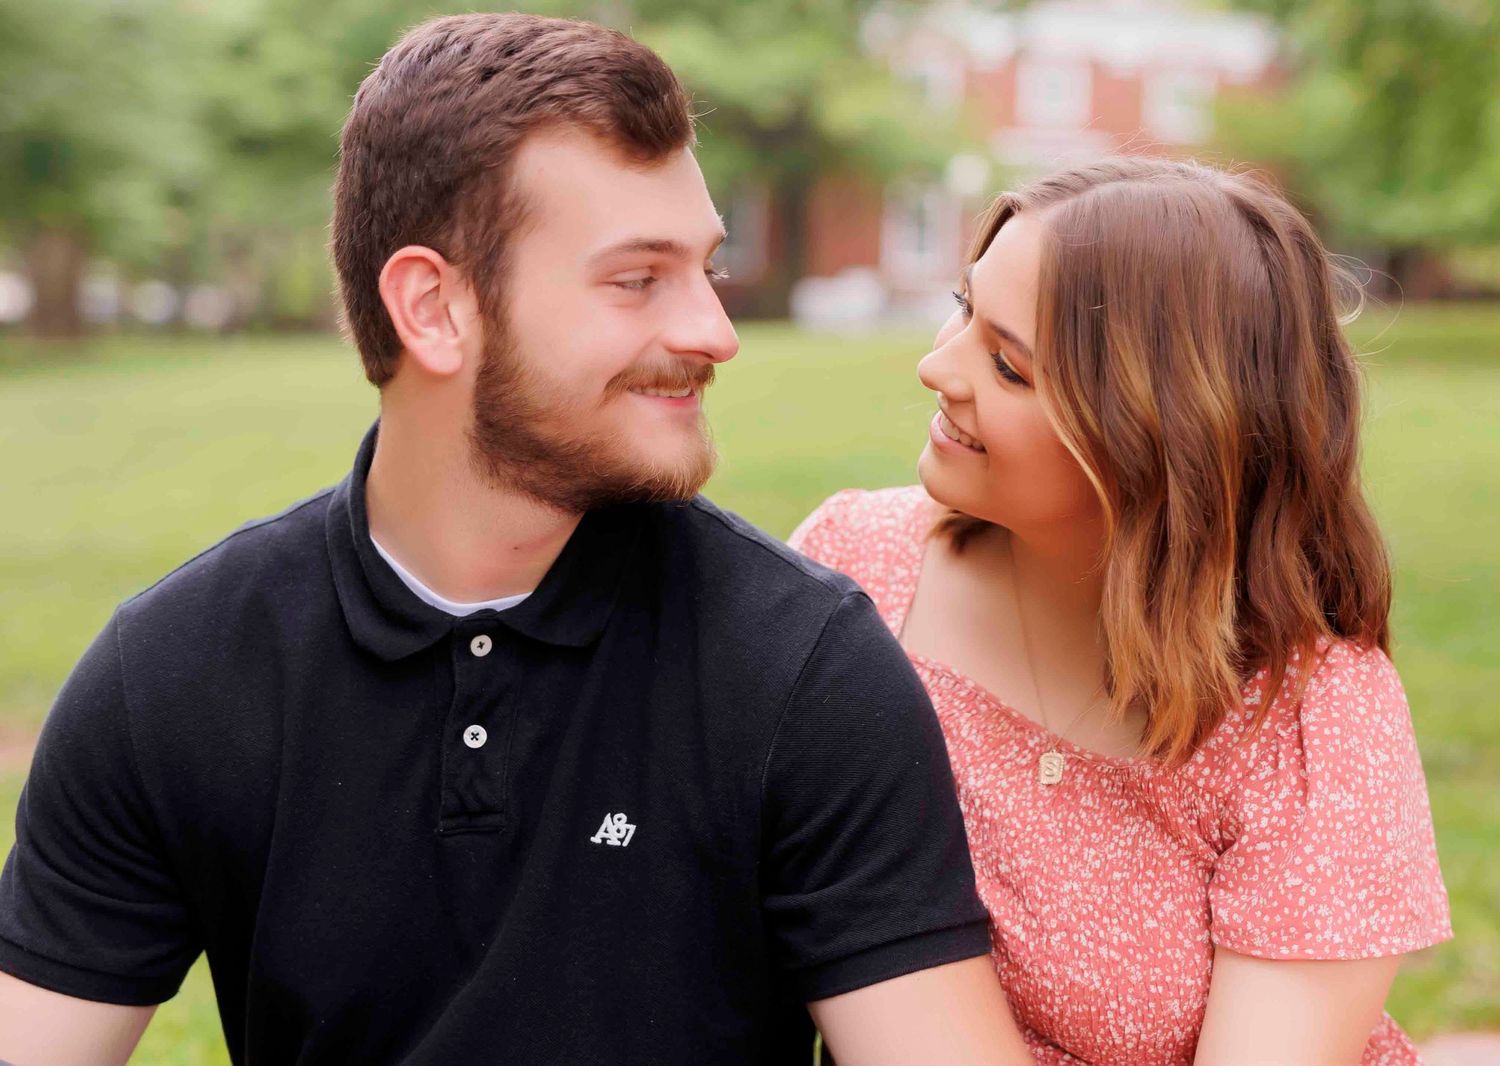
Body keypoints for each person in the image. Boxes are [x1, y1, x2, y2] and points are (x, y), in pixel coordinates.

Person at [0, 14, 1032, 1066]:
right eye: (638, 279)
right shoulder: (177, 671)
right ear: (434, 307)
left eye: (704, 271)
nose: (713, 332)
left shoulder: (801, 667)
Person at [790, 157, 1452, 1065]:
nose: (934, 366)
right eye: (961, 305)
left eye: (1009, 366)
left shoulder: (1308, 716)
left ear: (1159, 437)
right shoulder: (850, 567)